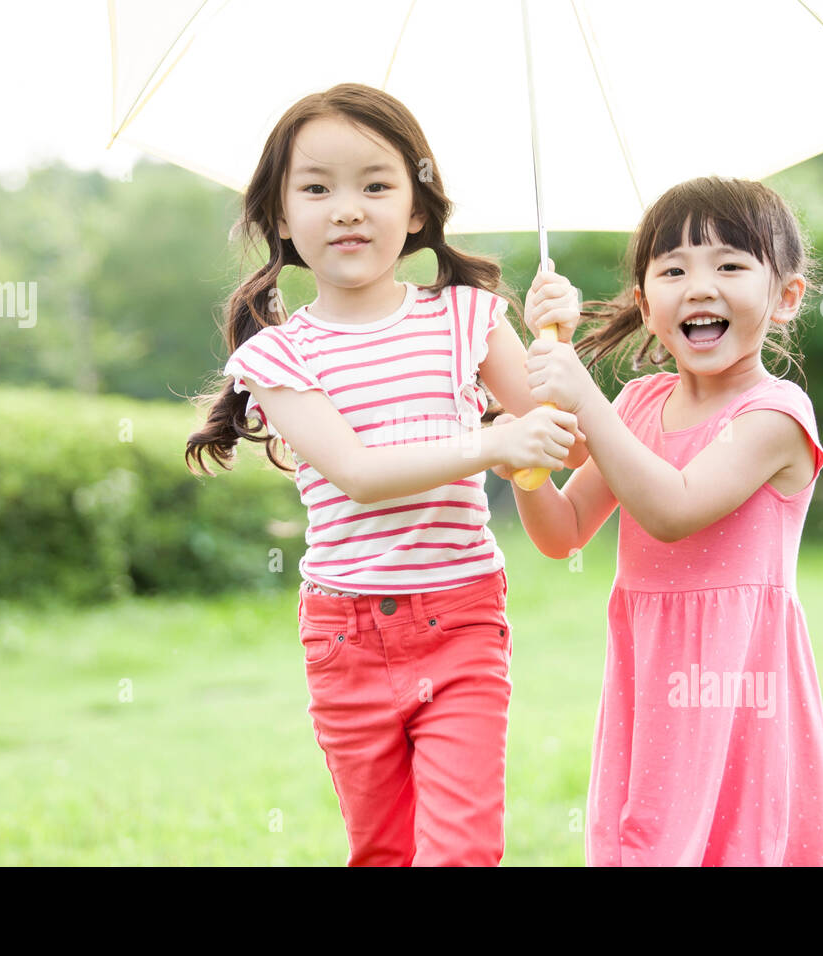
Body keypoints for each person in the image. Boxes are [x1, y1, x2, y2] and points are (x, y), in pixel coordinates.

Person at [185, 83, 586, 866]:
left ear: (416, 210)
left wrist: (555, 340)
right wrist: (492, 444)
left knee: (462, 850)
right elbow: (360, 474)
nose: (347, 210)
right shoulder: (277, 356)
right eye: (316, 189)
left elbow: (566, 442)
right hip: (347, 636)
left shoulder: (468, 316)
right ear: (279, 217)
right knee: (384, 852)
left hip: (461, 618)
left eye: (375, 186)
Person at [495, 176, 823, 866]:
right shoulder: (637, 405)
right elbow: (564, 532)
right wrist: (524, 464)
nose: (700, 288)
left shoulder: (775, 414)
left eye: (730, 266)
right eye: (674, 270)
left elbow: (673, 508)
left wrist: (584, 397)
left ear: (786, 297)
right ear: (646, 306)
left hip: (738, 680)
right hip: (651, 673)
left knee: (731, 842)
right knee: (648, 836)